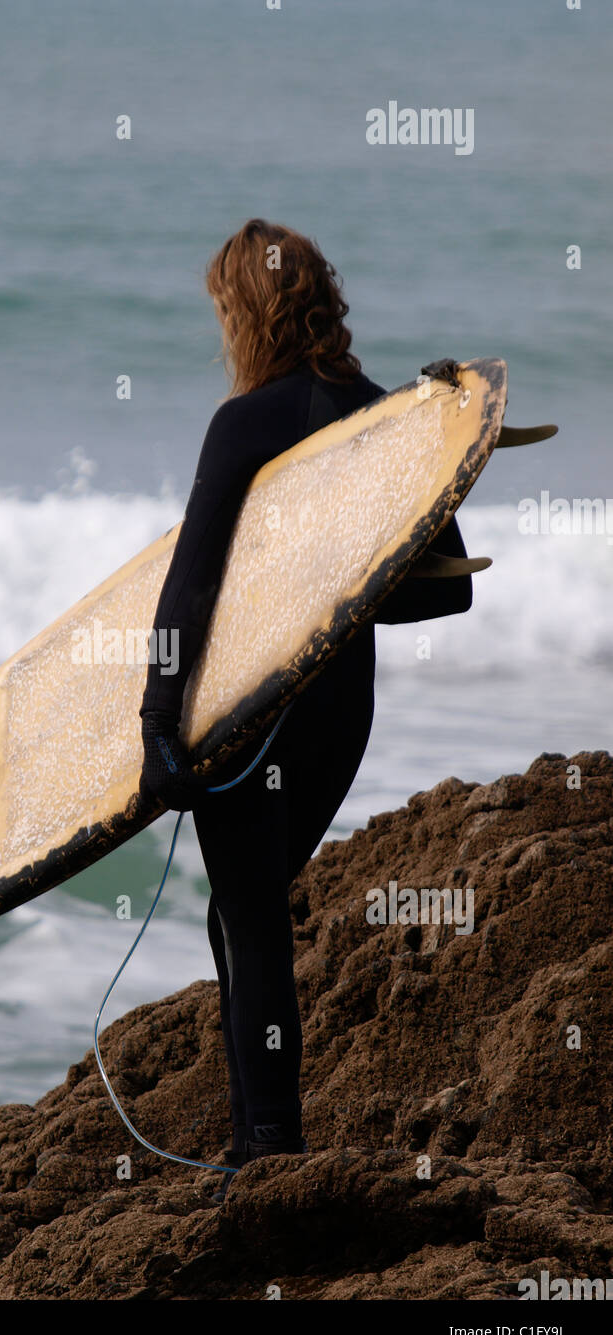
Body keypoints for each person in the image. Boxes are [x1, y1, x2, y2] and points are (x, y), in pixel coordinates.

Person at [138, 219, 473, 1200]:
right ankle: (260, 1136)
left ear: (246, 310)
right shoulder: (378, 413)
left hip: (256, 713)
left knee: (249, 920)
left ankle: (267, 1152)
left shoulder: (243, 423)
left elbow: (187, 591)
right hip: (342, 711)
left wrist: (157, 727)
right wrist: (439, 437)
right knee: (248, 913)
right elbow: (443, 589)